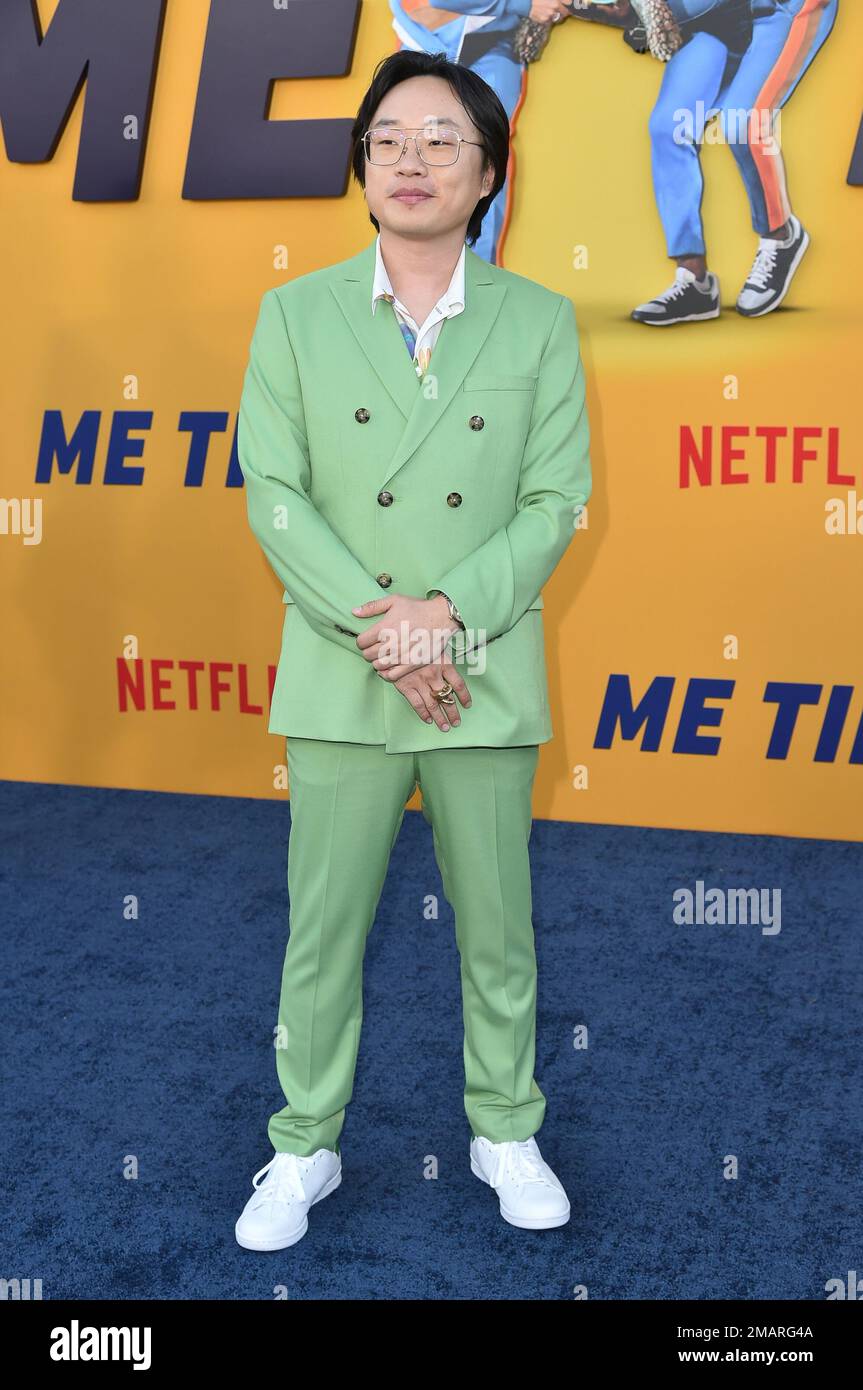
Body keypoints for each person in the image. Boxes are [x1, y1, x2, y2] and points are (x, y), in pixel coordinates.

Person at [233, 46, 591, 1249]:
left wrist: (444, 616)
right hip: (342, 673)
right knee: (321, 931)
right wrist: (388, 630)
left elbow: (552, 502)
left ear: (487, 172)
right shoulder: (293, 312)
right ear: (361, 164)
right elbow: (272, 493)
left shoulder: (539, 322)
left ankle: (504, 1124)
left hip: (480, 671)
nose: (410, 161)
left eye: (442, 140)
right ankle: (302, 1144)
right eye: (387, 139)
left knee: (498, 926)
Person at [587, 0, 840, 324]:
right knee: (669, 128)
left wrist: (647, 15)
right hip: (719, 18)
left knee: (742, 125)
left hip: (780, 8)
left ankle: (781, 235)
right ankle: (694, 281)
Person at [388, 1, 576, 265]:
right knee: (420, 161)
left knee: (482, 160)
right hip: (423, 45)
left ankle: (473, 279)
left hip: (491, 47)